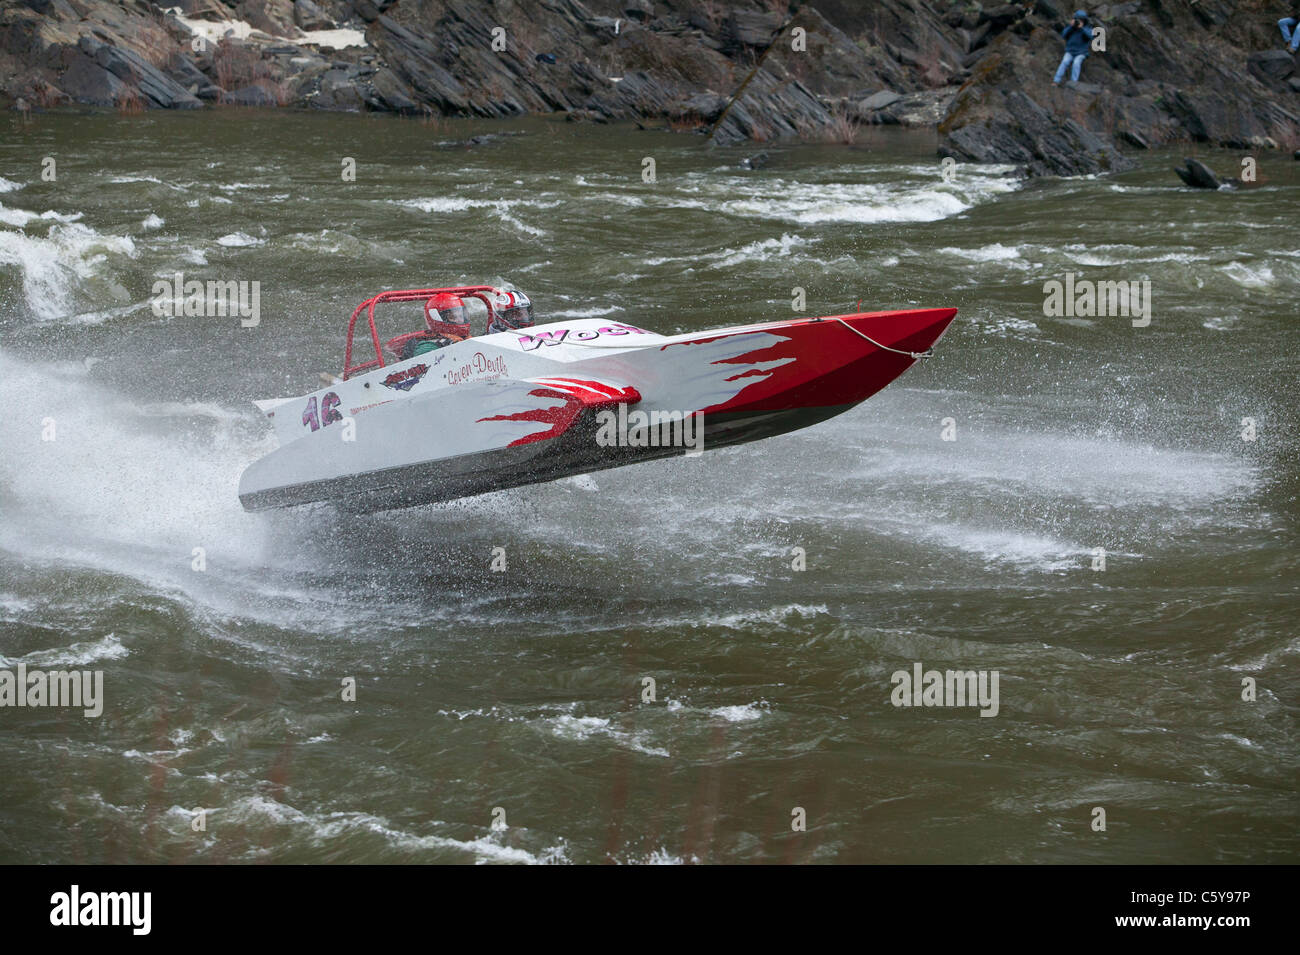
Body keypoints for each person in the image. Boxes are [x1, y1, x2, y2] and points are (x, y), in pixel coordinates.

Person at [399, 291, 472, 359]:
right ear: (437, 318)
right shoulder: (428, 346)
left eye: (461, 316)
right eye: (452, 317)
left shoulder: (465, 338)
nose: (459, 320)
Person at [1053, 10, 1094, 85]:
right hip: (1070, 51)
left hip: (1081, 52)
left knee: (1076, 63)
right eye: (1077, 19)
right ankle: (1056, 80)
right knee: (1065, 61)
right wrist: (1071, 27)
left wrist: (1082, 28)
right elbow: (1063, 35)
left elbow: (1090, 36)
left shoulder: (1088, 28)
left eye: (1081, 20)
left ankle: (1073, 83)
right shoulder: (1071, 28)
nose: (1079, 21)